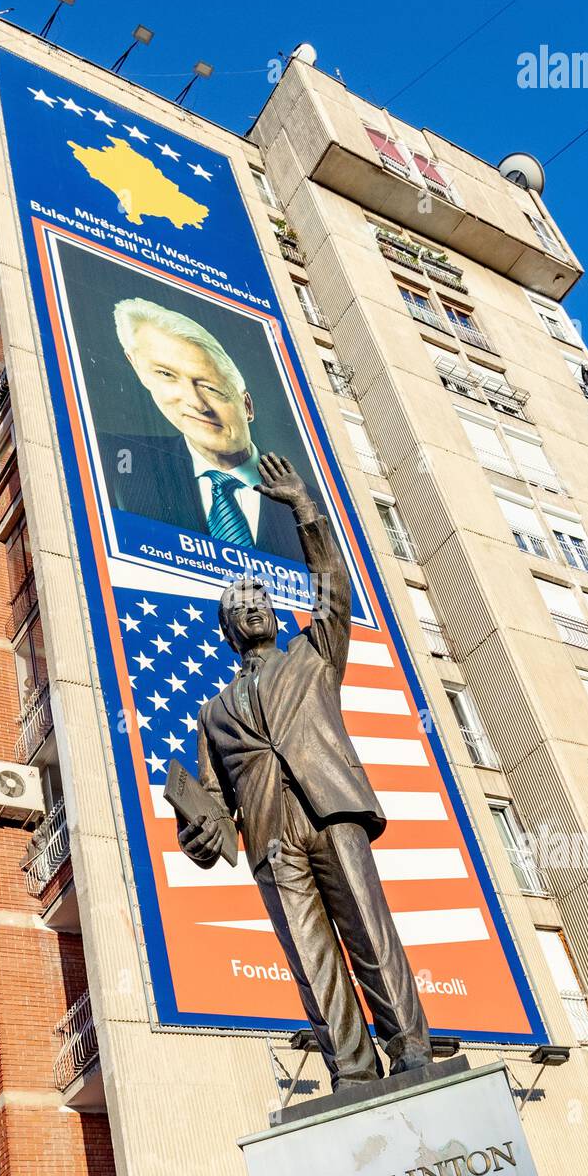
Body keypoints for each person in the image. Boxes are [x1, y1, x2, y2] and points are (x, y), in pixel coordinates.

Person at [177, 453, 431, 1092]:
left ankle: (412, 1054)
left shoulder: (315, 655)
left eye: (261, 598)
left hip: (330, 812)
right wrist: (200, 835)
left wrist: (305, 511)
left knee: (370, 935)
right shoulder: (213, 713)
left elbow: (333, 591)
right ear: (229, 627)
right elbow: (208, 800)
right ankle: (350, 1070)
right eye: (241, 603)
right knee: (313, 960)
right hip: (270, 838)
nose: (255, 607)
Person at [99, 297, 316, 562]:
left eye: (212, 388)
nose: (196, 403)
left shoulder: (310, 502)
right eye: (166, 374)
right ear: (138, 368)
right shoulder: (112, 460)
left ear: (247, 406)